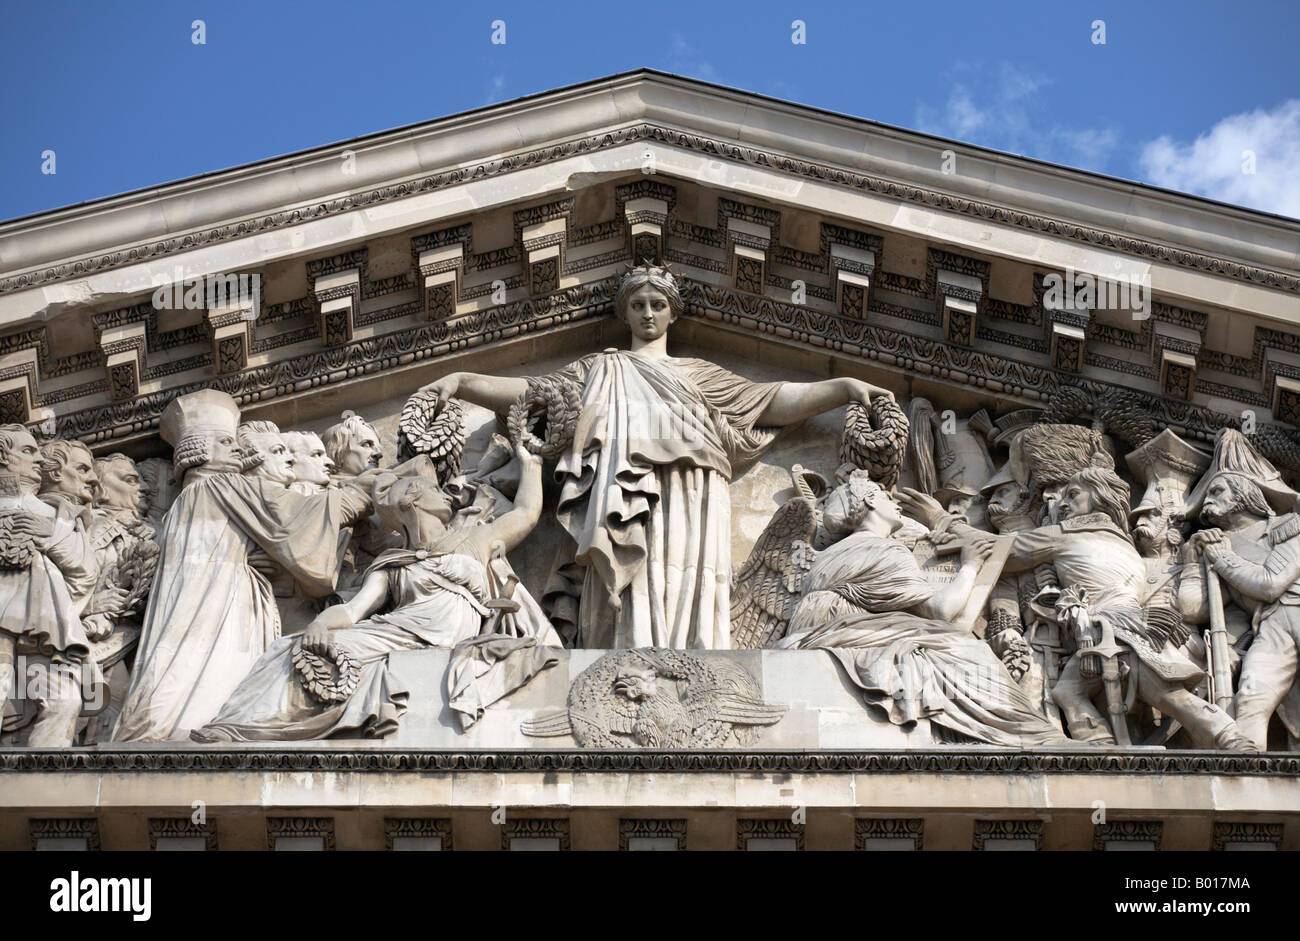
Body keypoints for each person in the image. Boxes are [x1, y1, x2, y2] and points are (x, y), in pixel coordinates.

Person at [419, 264, 895, 649]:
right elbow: (533, 393)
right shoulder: (601, 368)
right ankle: (624, 659)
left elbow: (771, 400)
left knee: (686, 577)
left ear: (672, 314)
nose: (648, 313)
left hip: (694, 488)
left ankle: (695, 659)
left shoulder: (699, 375)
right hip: (620, 486)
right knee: (629, 585)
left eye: (658, 305)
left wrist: (844, 387)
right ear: (625, 314)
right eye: (639, 305)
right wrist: (464, 381)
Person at [194, 441, 556, 742]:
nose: (447, 495)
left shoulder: (473, 539)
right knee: (284, 649)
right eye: (434, 490)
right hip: (397, 635)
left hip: (442, 638)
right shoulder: (393, 561)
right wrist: (319, 625)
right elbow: (354, 613)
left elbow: (526, 513)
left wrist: (532, 460)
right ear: (410, 499)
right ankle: (236, 729)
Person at [112, 390, 375, 741]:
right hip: (222, 609)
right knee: (211, 681)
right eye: (225, 442)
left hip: (203, 606)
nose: (236, 449)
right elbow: (295, 519)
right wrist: (371, 487)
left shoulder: (185, 500)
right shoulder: (222, 485)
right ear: (199, 449)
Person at [777, 471, 1072, 747]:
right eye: (883, 495)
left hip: (836, 631)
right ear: (869, 501)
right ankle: (1034, 737)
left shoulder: (839, 551)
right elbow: (941, 611)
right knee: (969, 652)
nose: (893, 501)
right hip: (850, 634)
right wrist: (970, 564)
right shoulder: (883, 550)